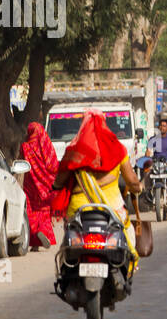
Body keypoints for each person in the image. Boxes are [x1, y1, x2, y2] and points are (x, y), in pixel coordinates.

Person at [53, 111, 142, 275]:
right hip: (113, 208)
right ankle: (129, 268)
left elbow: (59, 181)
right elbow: (132, 181)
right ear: (105, 124)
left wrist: (58, 186)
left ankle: (66, 270)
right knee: (127, 230)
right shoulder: (118, 149)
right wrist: (138, 187)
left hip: (79, 209)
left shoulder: (73, 151)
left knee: (69, 238)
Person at [20, 121, 58, 250]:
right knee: (43, 211)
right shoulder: (46, 144)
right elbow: (53, 164)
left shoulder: (25, 146)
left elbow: (21, 163)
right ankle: (42, 231)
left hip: (30, 185)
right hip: (45, 184)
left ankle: (34, 239)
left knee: (31, 212)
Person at [141, 117, 167, 200]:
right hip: (156, 163)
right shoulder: (153, 139)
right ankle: (147, 190)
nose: (162, 127)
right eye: (160, 125)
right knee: (147, 171)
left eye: (164, 126)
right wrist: (147, 158)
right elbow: (148, 151)